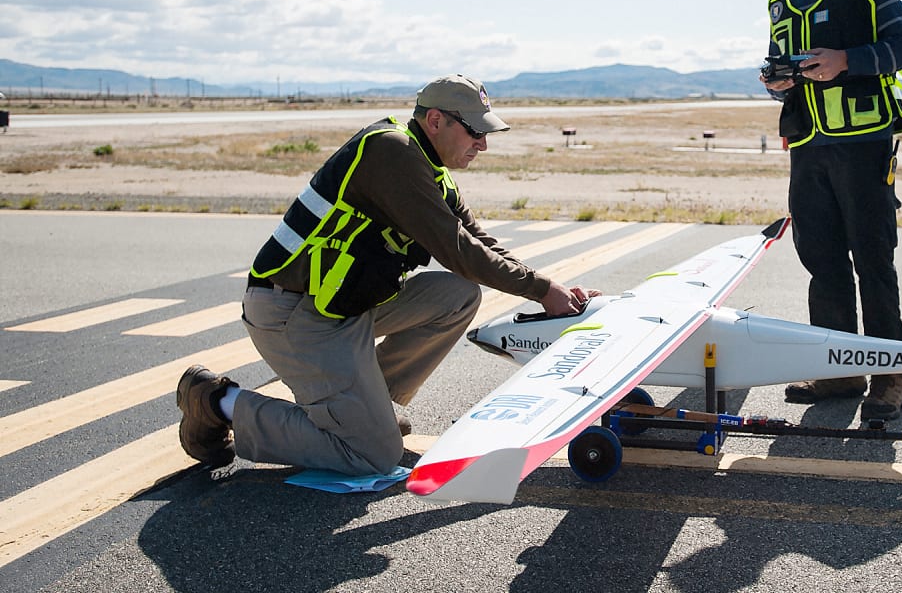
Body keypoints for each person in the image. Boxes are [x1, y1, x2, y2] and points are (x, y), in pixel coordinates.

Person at [176, 74, 599, 475]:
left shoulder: (430, 167)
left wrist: (549, 288)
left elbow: (476, 239)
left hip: (344, 304)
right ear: (436, 121)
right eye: (475, 132)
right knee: (373, 455)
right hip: (292, 312)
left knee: (457, 295)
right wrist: (542, 292)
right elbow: (457, 250)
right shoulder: (392, 152)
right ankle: (217, 402)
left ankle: (367, 407)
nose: (483, 145)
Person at [749, 0, 902, 422]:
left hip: (862, 142)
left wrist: (846, 60)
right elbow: (790, 73)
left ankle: (889, 377)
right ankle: (838, 369)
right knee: (821, 261)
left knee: (872, 258)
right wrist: (778, 82)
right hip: (808, 145)